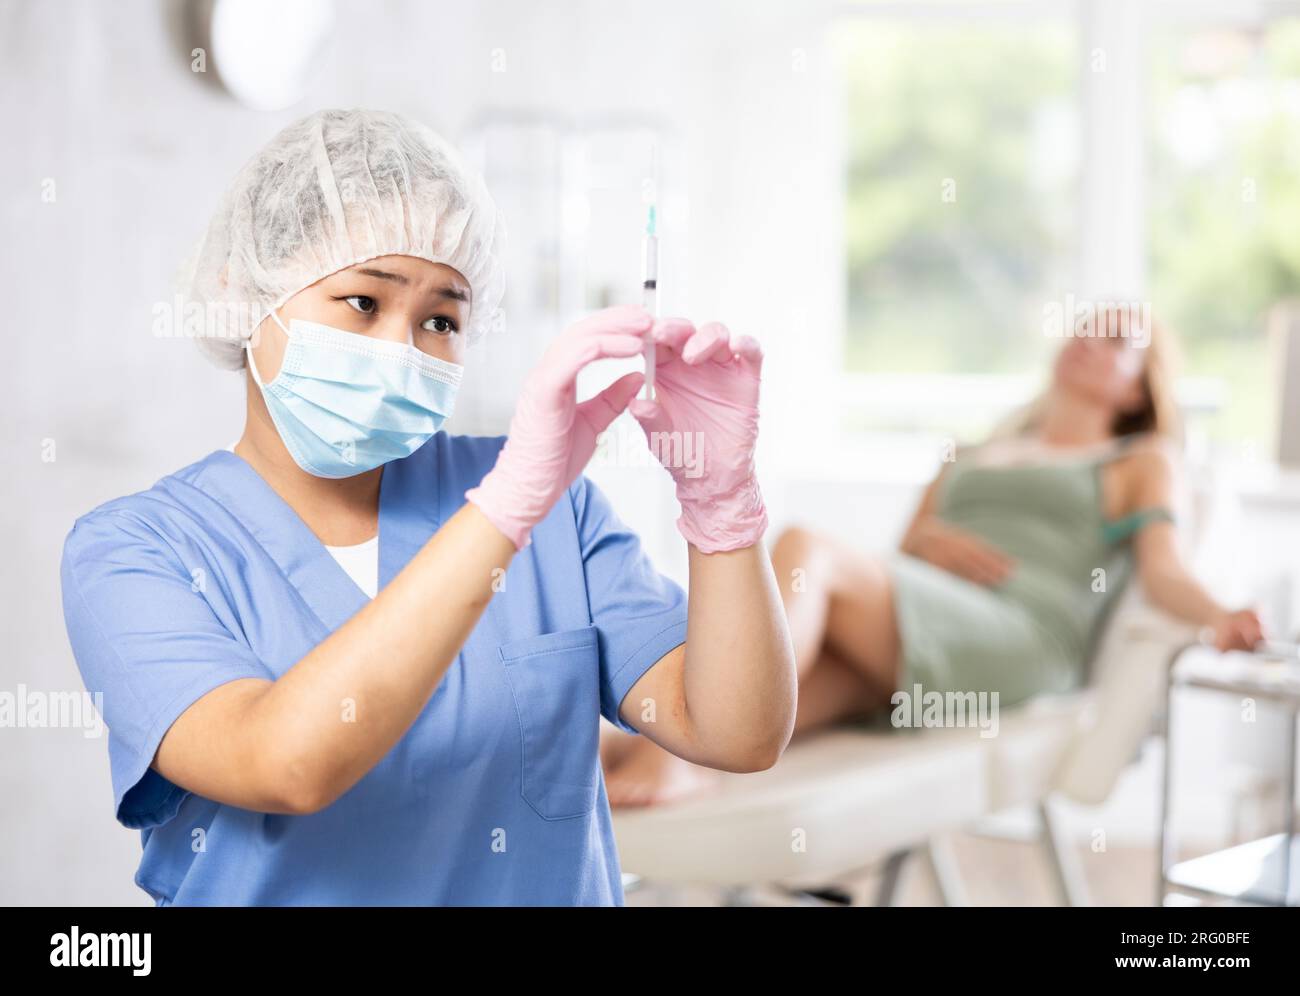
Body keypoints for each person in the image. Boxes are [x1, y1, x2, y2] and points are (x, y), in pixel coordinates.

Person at [60, 108, 795, 906]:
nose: (401, 349)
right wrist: (505, 508)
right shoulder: (134, 551)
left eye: (441, 318)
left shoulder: (558, 511)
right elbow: (284, 764)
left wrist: (721, 500)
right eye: (363, 303)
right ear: (245, 296)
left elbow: (737, 731)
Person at [601, 304, 1263, 806]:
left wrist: (1221, 615)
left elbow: (1165, 567)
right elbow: (904, 550)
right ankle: (647, 743)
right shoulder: (971, 452)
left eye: (1117, 340)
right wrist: (930, 543)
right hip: (932, 613)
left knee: (807, 548)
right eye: (1085, 327)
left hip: (1021, 634)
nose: (1089, 340)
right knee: (817, 667)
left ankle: (687, 758)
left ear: (1139, 390)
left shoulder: (1141, 460)